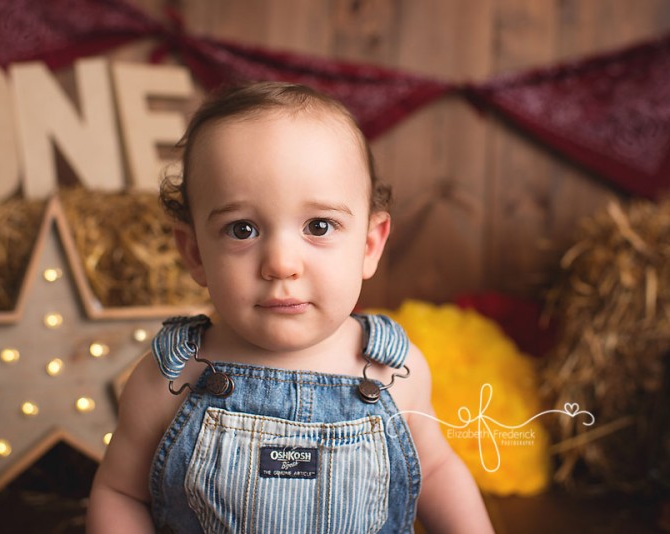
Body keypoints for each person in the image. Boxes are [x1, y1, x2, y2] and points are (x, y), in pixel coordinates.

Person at [87, 81, 494, 533]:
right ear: (195, 253)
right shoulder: (171, 378)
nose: (281, 264)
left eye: (319, 225)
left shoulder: (392, 371)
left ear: (369, 244)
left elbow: (435, 472)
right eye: (242, 230)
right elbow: (120, 493)